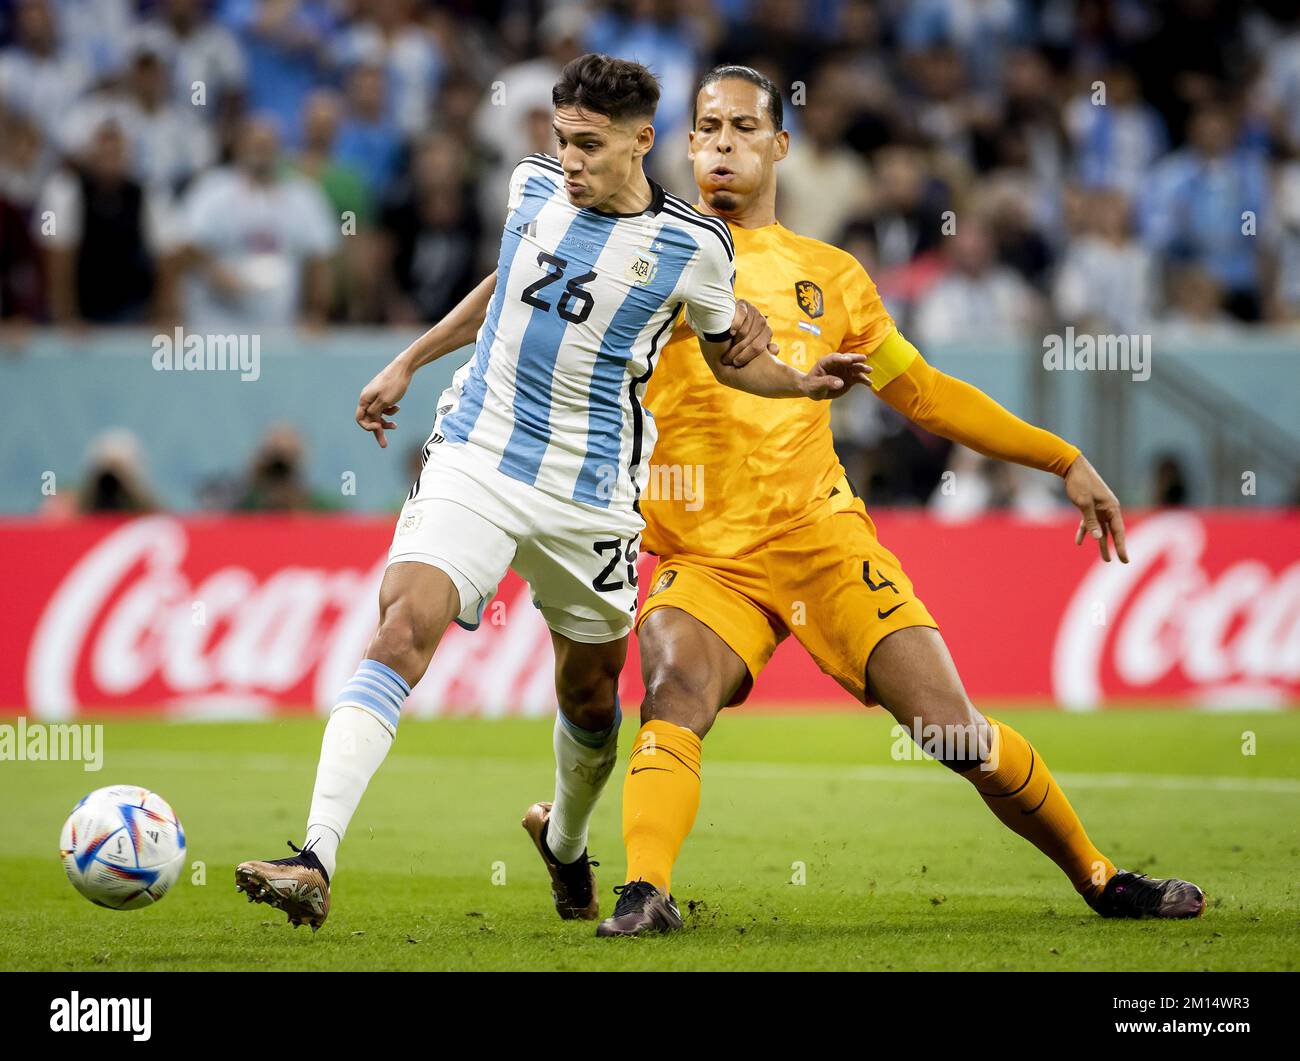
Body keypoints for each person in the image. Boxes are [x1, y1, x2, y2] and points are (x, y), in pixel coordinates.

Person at [233, 53, 869, 931]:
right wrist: (409, 360)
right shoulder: (531, 187)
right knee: (403, 623)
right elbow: (503, 287)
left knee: (591, 694)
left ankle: (566, 844)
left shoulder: (693, 246)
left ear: (643, 142)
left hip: (594, 495)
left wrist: (802, 383)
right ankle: (316, 855)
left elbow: (733, 355)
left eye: (590, 145)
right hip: (478, 457)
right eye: (560, 139)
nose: (568, 160)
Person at [591, 66, 1204, 937]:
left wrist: (1061, 456)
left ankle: (1101, 875)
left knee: (955, 733)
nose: (723, 143)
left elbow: (926, 396)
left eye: (742, 127)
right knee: (673, 687)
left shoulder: (831, 276)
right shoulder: (643, 256)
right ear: (685, 144)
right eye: (707, 127)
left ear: (779, 147)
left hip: (823, 542)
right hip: (703, 555)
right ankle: (645, 889)